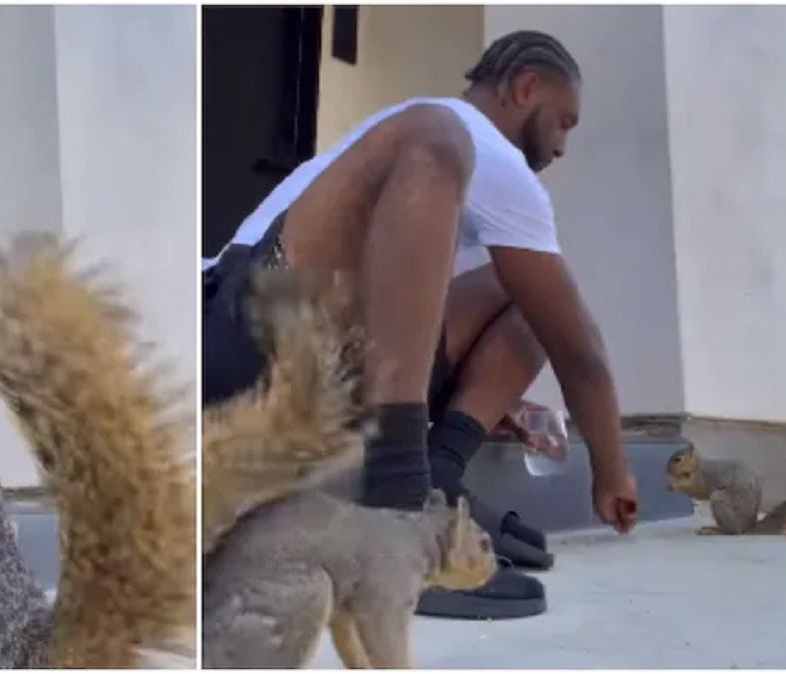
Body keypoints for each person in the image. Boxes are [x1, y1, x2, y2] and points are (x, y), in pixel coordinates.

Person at [202, 30, 639, 620]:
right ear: (526, 88)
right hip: (238, 331)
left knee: (533, 297)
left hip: (321, 363)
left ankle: (439, 473)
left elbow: (557, 325)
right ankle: (399, 510)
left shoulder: (448, 151)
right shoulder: (455, 138)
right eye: (564, 122)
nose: (563, 146)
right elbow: (579, 349)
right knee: (434, 138)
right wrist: (612, 473)